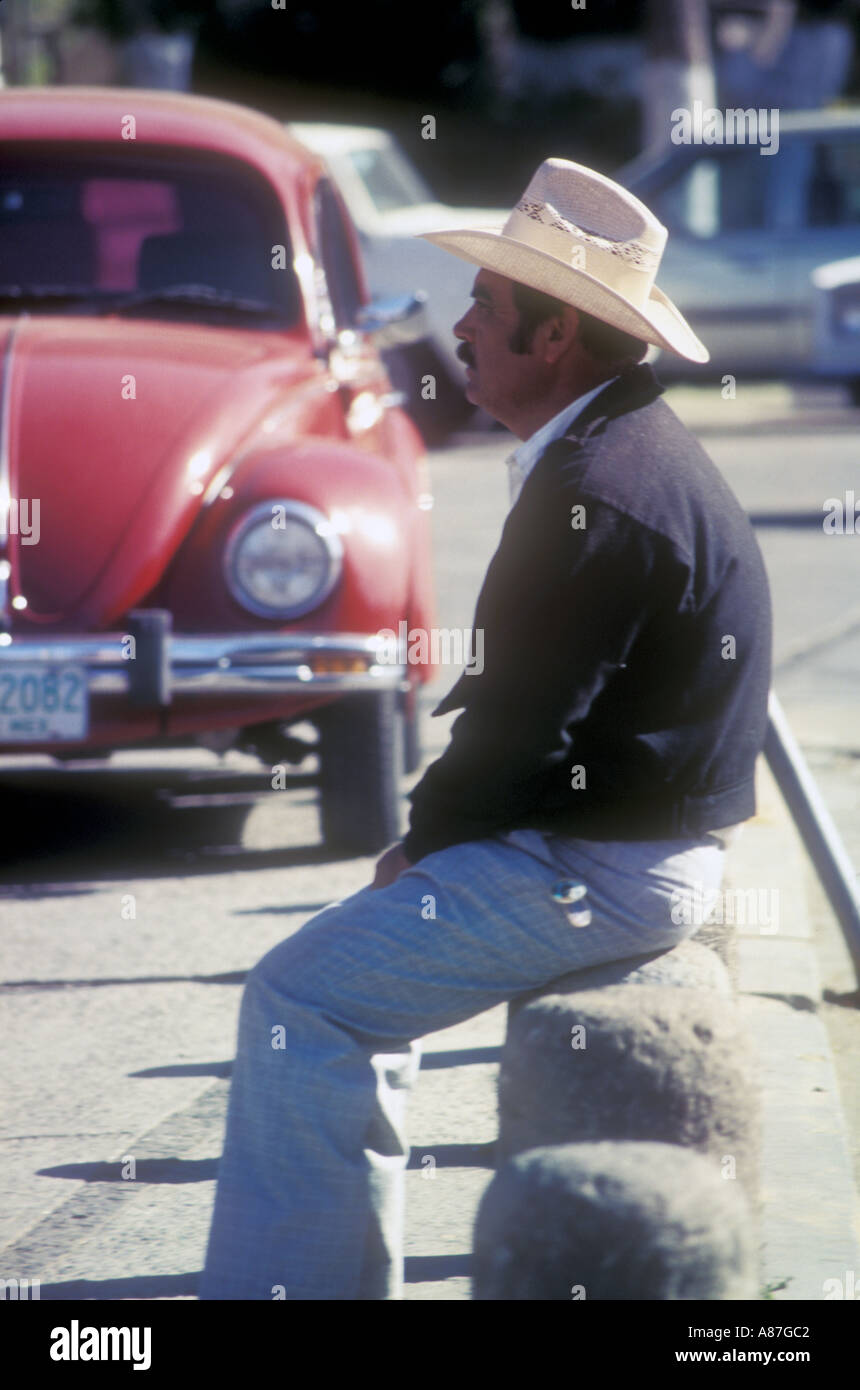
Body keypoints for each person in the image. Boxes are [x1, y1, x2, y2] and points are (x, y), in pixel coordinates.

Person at [199, 157, 772, 1301]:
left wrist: (418, 850)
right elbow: (533, 714)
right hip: (624, 846)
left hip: (599, 867)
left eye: (487, 308)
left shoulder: (592, 488)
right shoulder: (616, 450)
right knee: (346, 987)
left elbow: (516, 729)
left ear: (554, 336)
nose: (459, 326)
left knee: (298, 1000)